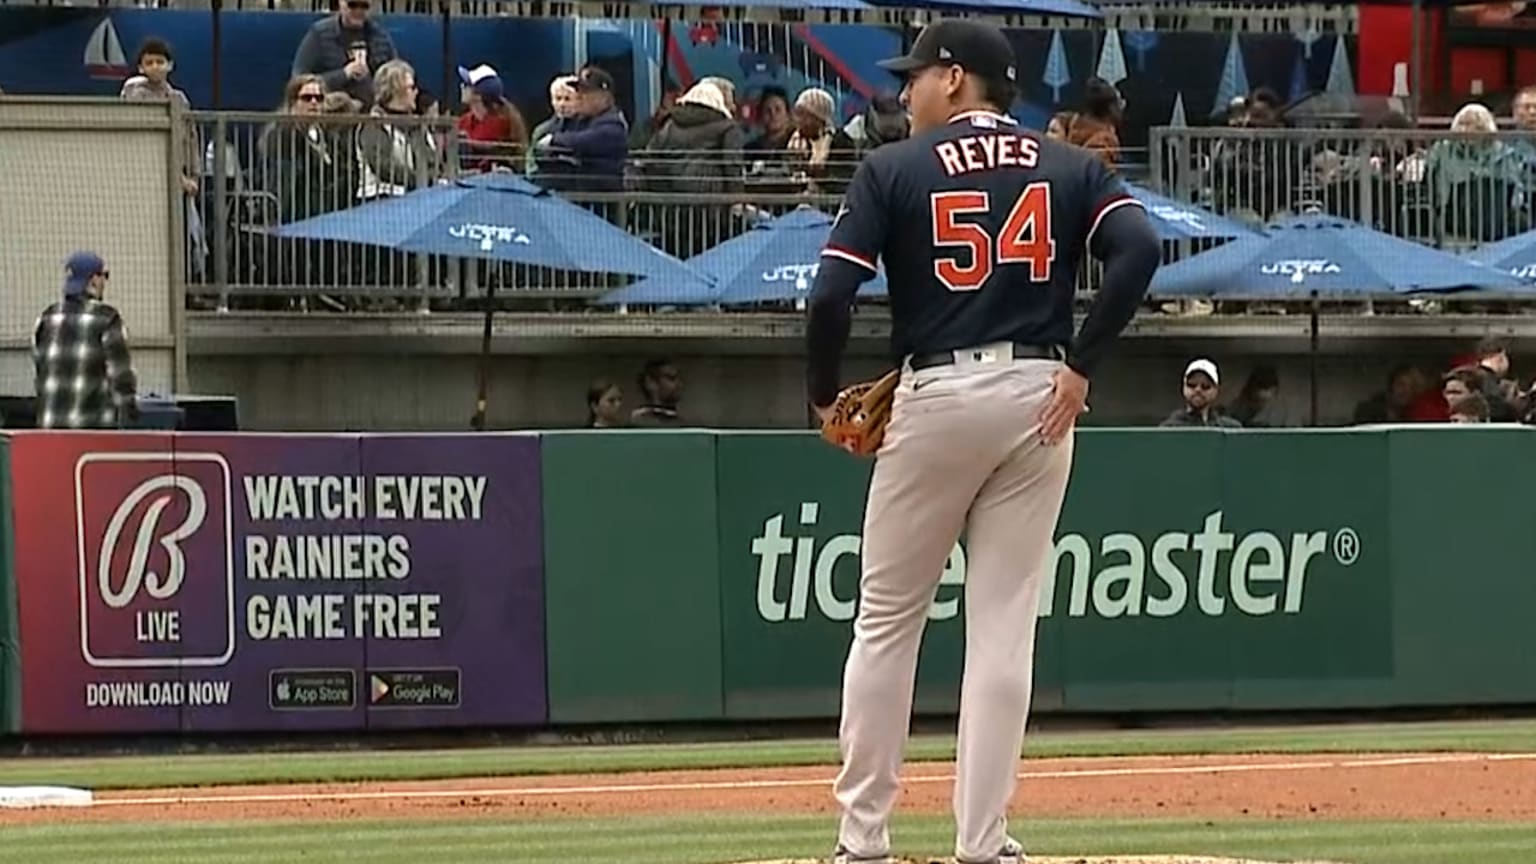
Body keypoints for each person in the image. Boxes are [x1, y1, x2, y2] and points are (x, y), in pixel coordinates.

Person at [804, 19, 1159, 864]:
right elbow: (1140, 248)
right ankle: (983, 842)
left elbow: (828, 299)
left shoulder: (891, 167)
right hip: (1041, 394)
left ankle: (863, 841)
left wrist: (823, 398)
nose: (903, 92)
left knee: (888, 621)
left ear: (956, 80)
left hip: (939, 389)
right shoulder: (1069, 163)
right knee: (1003, 626)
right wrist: (1082, 367)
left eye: (916, 76)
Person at [33, 251, 139, 429]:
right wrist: (131, 411)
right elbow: (121, 377)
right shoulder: (107, 319)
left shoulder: (46, 318)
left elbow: (40, 368)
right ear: (94, 280)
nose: (104, 282)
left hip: (49, 432)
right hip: (91, 434)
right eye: (104, 275)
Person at [291, 0, 397, 107]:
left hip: (372, 112)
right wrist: (344, 74)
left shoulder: (381, 36)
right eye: (352, 5)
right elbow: (298, 82)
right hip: (329, 111)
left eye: (364, 6)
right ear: (340, 3)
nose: (358, 11)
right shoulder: (319, 34)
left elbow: (396, 78)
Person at [1160, 359, 1242, 428]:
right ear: (1183, 387)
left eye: (1205, 386)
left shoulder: (1231, 428)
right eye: (1192, 385)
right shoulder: (1169, 428)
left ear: (1216, 390)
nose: (1198, 390)